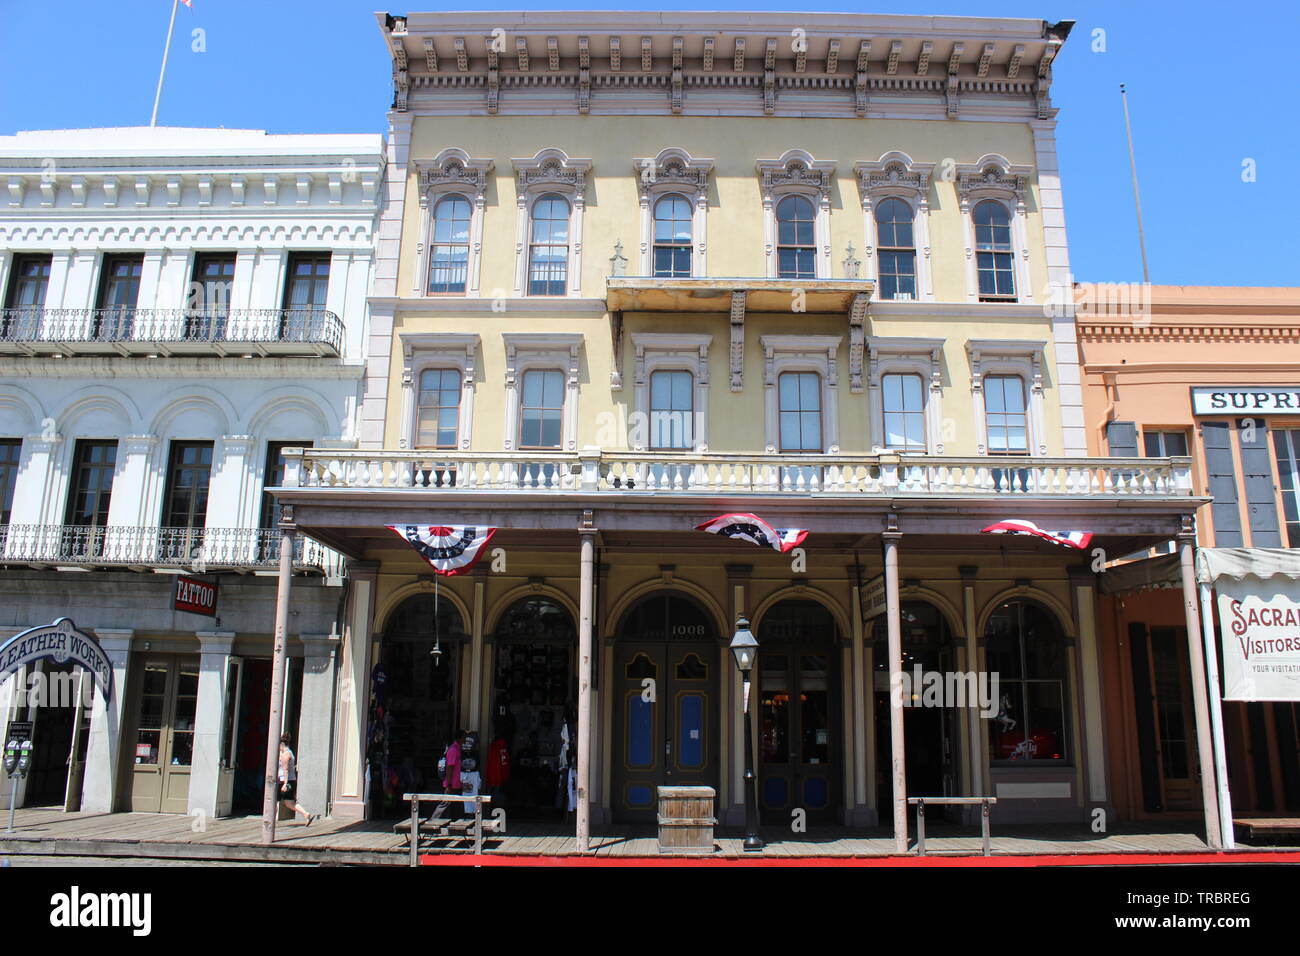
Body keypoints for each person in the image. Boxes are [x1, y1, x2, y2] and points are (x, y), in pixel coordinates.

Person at [278, 734, 315, 826]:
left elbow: (285, 770)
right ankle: (306, 814)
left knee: (283, 801)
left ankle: (269, 820)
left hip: (285, 781)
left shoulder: (285, 755)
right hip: (290, 780)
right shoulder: (289, 753)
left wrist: (285, 783)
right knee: (289, 802)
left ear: (282, 744)